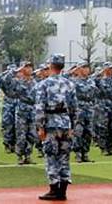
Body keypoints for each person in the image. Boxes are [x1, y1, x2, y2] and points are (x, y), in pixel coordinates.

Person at [36, 54, 76, 201]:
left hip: (51, 125)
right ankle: (63, 190)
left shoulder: (44, 84)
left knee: (51, 157)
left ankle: (54, 189)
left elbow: (40, 108)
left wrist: (40, 127)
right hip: (66, 123)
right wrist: (72, 125)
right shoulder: (70, 84)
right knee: (64, 157)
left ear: (50, 66)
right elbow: (74, 107)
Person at [71, 62, 97, 163]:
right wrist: (74, 71)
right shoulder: (74, 81)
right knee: (78, 132)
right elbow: (63, 77)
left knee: (88, 132)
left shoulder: (91, 81)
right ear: (79, 69)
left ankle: (85, 153)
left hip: (89, 108)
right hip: (79, 109)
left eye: (87, 67)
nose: (87, 69)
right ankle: (78, 154)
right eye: (84, 67)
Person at [94, 62, 112, 156]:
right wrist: (101, 72)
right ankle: (103, 148)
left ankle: (110, 147)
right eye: (110, 68)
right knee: (103, 128)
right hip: (103, 107)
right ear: (105, 69)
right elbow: (92, 79)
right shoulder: (99, 80)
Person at [0, 64, 18, 153]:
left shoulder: (18, 79)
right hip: (8, 102)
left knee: (17, 125)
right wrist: (7, 72)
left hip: (17, 102)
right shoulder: (5, 78)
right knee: (8, 124)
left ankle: (15, 144)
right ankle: (8, 145)